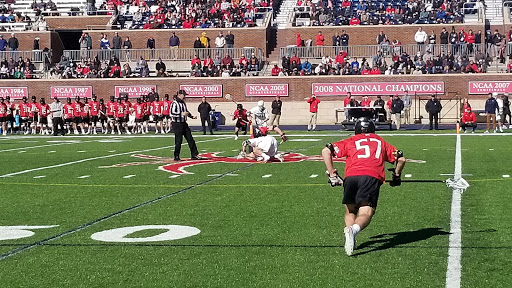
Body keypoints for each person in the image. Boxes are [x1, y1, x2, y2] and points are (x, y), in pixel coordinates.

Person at [322, 118, 406, 256]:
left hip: (350, 177)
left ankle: (350, 236)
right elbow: (401, 159)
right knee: (366, 213)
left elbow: (326, 151)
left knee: (350, 211)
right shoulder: (380, 141)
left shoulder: (351, 140)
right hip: (371, 177)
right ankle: (353, 231)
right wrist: (396, 176)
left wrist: (332, 174)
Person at [170, 90, 200, 161]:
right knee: (178, 141)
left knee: (190, 139)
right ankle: (176, 156)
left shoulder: (183, 103)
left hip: (184, 123)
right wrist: (181, 114)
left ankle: (194, 154)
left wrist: (191, 116)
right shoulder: (174, 103)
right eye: (184, 95)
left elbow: (186, 111)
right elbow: (171, 113)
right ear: (179, 95)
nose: (185, 96)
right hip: (177, 124)